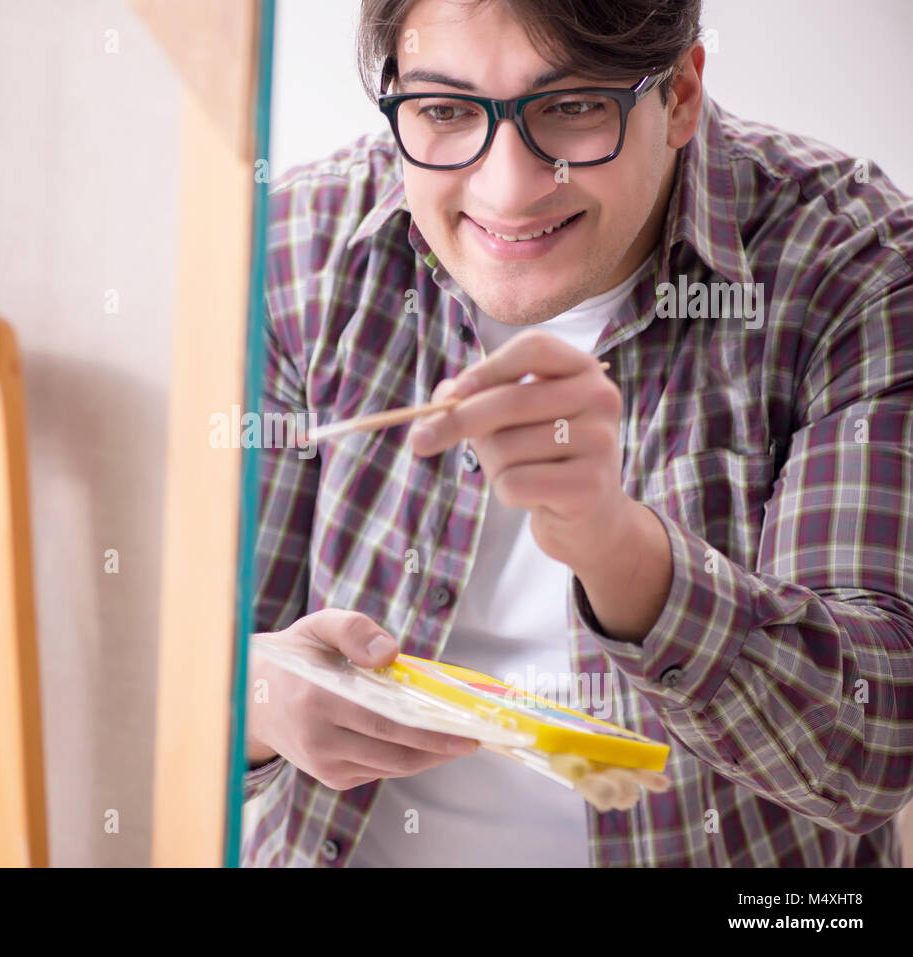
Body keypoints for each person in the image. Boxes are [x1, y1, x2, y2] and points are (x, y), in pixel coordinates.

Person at [242, 0, 913, 867]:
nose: (508, 190)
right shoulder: (297, 246)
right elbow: (175, 675)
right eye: (444, 110)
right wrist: (255, 701)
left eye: (571, 107)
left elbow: (873, 748)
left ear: (679, 95)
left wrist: (619, 549)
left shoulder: (854, 263)